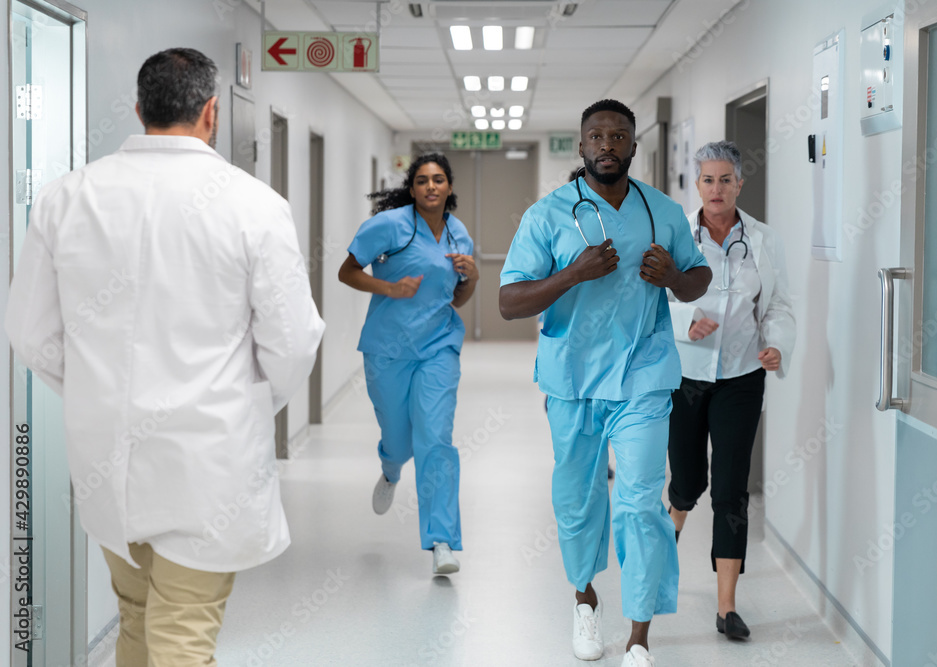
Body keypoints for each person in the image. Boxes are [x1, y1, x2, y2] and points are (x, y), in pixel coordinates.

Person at [5, 48, 324, 665]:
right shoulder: (254, 205)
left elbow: (30, 333)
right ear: (212, 112)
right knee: (181, 636)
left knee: (137, 619)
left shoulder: (67, 197)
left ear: (138, 110)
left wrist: (99, 393)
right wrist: (252, 400)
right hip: (207, 467)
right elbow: (293, 341)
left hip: (106, 463)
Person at [499, 99, 712, 667]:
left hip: (644, 375)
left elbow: (698, 278)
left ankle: (639, 638)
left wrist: (671, 277)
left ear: (635, 146)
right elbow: (508, 301)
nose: (608, 145)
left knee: (641, 503)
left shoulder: (663, 211)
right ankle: (585, 601)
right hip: (571, 379)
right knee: (578, 500)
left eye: (619, 136)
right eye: (596, 136)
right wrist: (573, 273)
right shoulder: (547, 216)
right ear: (582, 146)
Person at [666, 140, 795, 640]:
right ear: (695, 184)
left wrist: (777, 344)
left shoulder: (764, 240)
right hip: (687, 376)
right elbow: (654, 298)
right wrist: (686, 318)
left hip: (742, 376)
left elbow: (780, 304)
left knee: (731, 490)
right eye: (707, 180)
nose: (716, 189)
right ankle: (662, 553)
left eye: (725, 180)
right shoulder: (677, 233)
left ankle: (727, 607)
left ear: (740, 184)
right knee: (687, 481)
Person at [338, 153, 478, 576]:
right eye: (422, 181)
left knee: (436, 439)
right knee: (400, 441)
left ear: (449, 187)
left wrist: (472, 276)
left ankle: (442, 541)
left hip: (438, 347)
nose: (431, 187)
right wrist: (389, 288)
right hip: (388, 348)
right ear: (412, 189)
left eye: (438, 180)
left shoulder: (459, 235)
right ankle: (390, 466)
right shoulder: (390, 226)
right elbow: (347, 271)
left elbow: (457, 299)